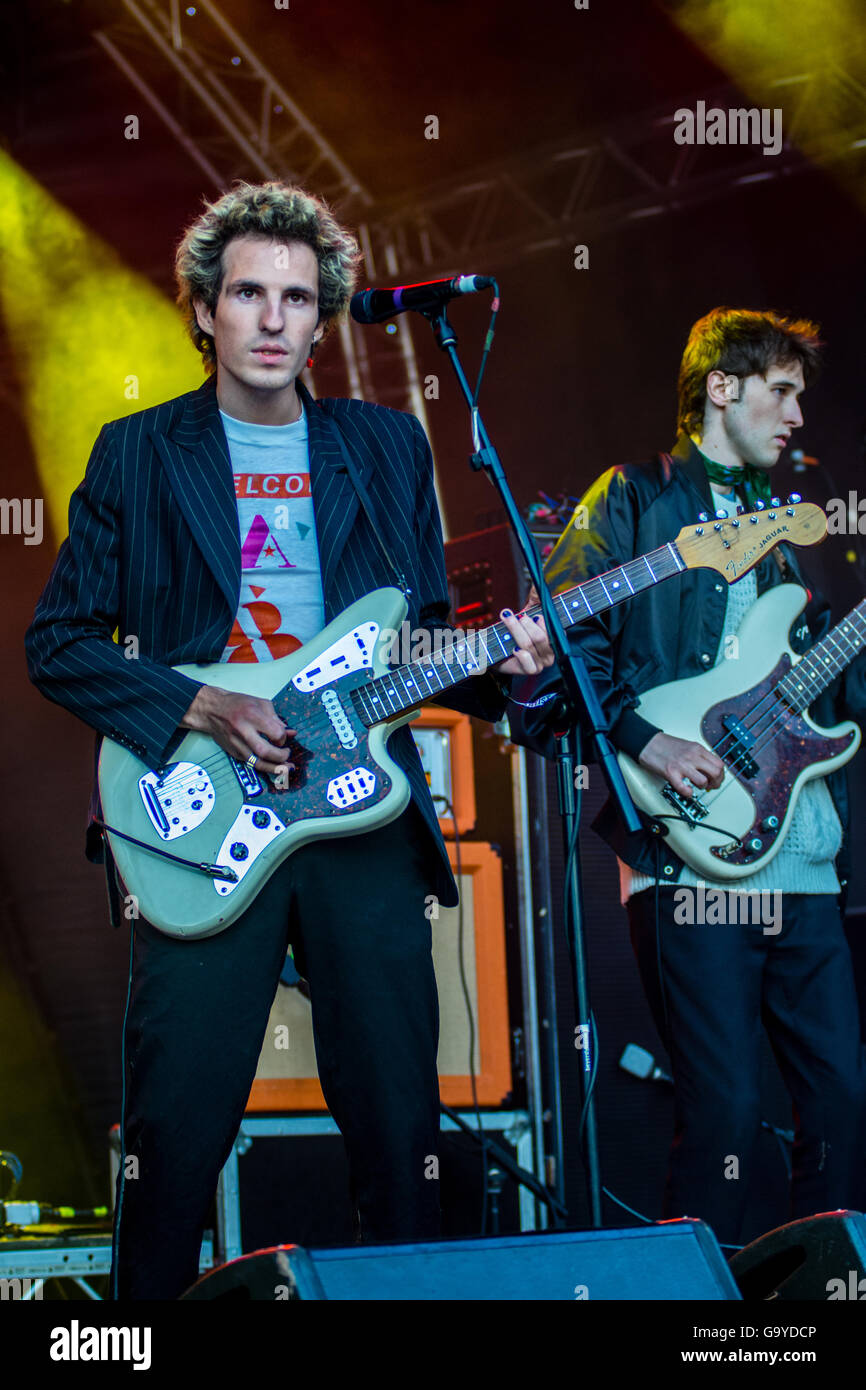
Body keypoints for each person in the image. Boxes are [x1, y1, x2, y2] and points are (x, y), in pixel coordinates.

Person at [24, 180, 552, 1300]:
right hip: (201, 812)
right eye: (249, 293)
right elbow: (58, 642)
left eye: (298, 298)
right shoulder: (137, 453)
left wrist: (501, 668)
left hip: (357, 808)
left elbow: (411, 643)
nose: (272, 318)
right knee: (172, 1132)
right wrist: (205, 706)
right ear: (204, 309)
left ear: (323, 319)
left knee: (402, 1123)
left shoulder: (385, 446)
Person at [508, 307, 866, 1246]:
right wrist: (643, 740)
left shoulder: (795, 528)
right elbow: (557, 645)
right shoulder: (634, 496)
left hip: (802, 857)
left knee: (841, 1096)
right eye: (780, 391)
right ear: (722, 387)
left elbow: (836, 687)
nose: (796, 415)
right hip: (688, 854)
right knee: (724, 1112)